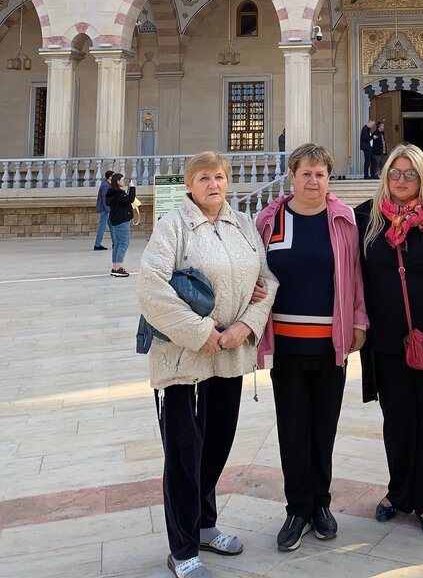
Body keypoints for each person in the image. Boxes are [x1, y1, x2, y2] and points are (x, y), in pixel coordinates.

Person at [137, 151, 277, 578]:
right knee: (184, 455)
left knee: (216, 444)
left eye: (219, 177)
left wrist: (245, 326)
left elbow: (268, 281)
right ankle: (182, 549)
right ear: (189, 184)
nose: (213, 184)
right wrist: (203, 333)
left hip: (230, 356)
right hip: (184, 361)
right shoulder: (173, 226)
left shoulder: (243, 225)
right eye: (204, 178)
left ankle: (204, 524)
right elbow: (151, 289)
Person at [256, 143, 368, 552]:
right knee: (292, 430)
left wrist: (359, 319)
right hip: (287, 347)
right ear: (292, 176)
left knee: (323, 428)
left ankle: (321, 503)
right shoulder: (268, 220)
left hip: (329, 345)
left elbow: (355, 273)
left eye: (320, 174)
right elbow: (253, 272)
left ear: (328, 178)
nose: (313, 181)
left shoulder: (343, 220)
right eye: (306, 173)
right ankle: (297, 509)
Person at [355, 143, 423, 537]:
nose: (401, 179)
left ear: (422, 177)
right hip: (386, 340)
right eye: (394, 172)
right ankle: (400, 493)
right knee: (397, 420)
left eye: (410, 173)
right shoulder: (367, 218)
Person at [105, 172, 136, 277]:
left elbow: (125, 201)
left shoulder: (113, 192)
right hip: (122, 220)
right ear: (118, 181)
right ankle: (118, 268)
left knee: (118, 243)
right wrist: (132, 188)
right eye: (122, 180)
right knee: (123, 243)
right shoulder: (118, 193)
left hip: (117, 220)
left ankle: (115, 266)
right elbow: (130, 199)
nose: (124, 182)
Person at [93, 168, 115, 250]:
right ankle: (97, 244)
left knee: (112, 226)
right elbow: (104, 199)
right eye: (113, 176)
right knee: (102, 227)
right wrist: (108, 209)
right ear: (110, 177)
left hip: (108, 209)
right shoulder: (105, 185)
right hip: (105, 210)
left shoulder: (108, 184)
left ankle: (115, 243)